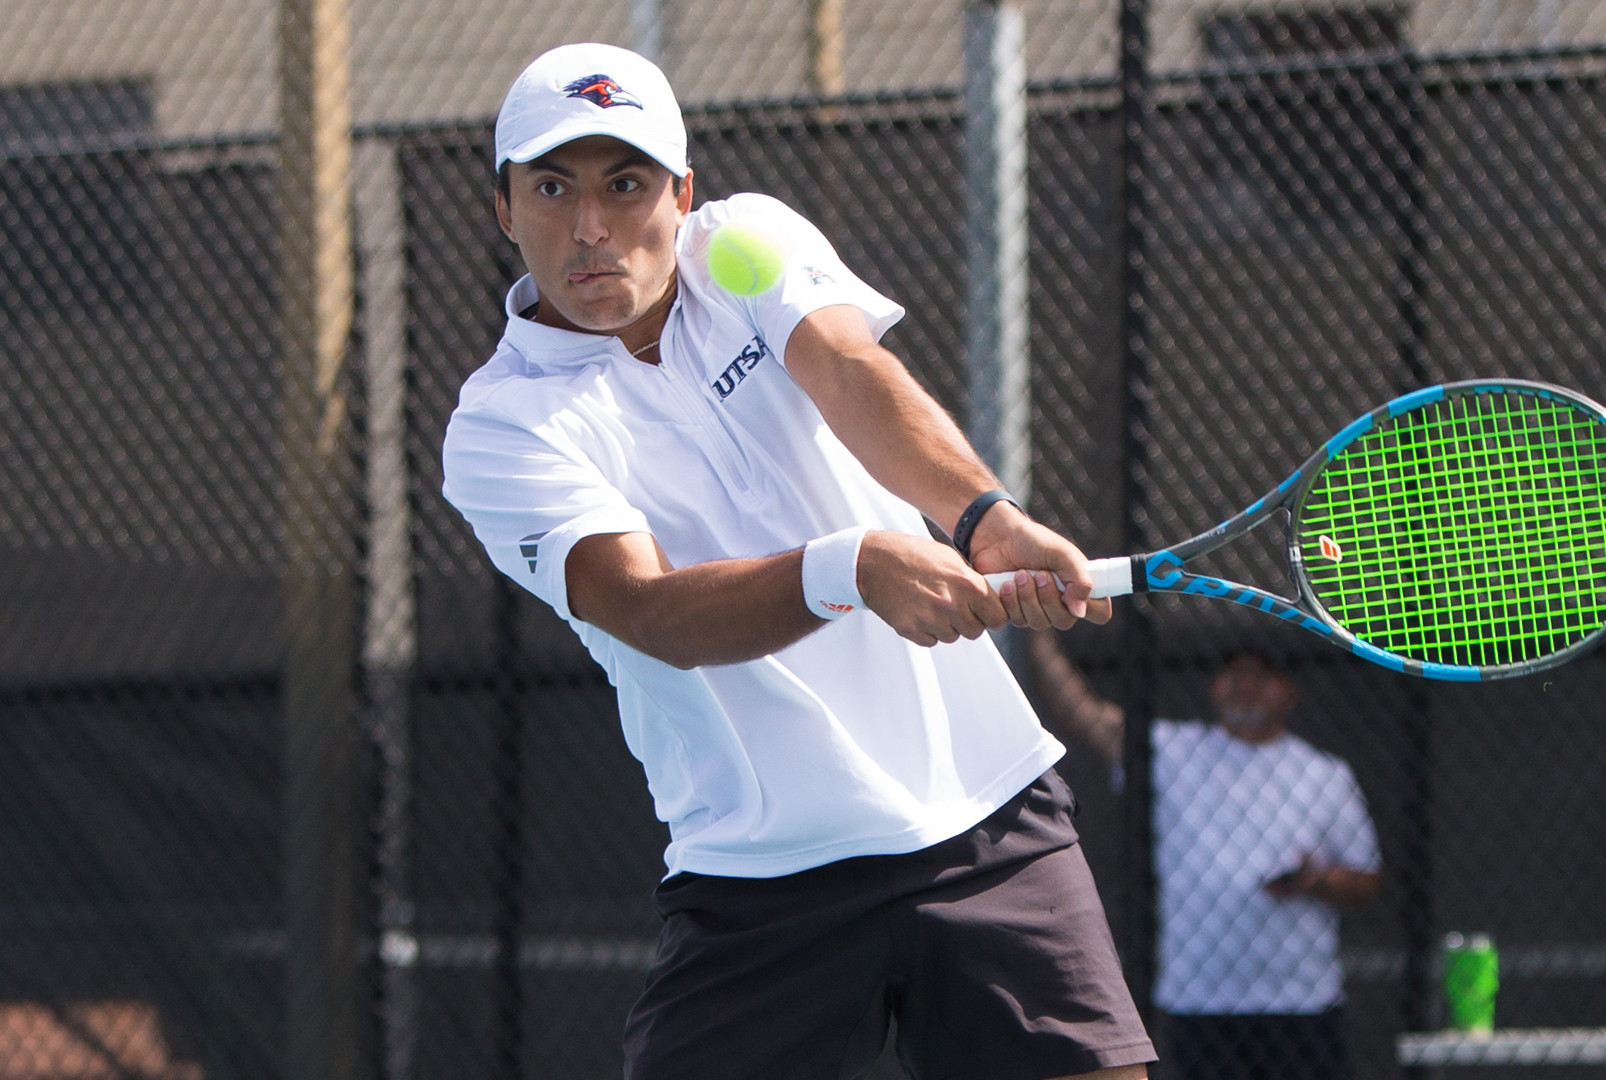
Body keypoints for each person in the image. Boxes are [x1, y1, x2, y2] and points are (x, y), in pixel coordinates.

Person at [439, 42, 1157, 1080]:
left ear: (682, 194)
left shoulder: (744, 244)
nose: (590, 228)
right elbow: (645, 609)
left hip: (983, 812)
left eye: (625, 184)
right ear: (505, 208)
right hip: (760, 876)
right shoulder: (503, 426)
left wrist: (985, 519)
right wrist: (851, 566)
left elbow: (850, 368)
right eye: (552, 188)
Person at [1029, 631, 1381, 1080]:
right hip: (1200, 1000)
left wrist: (1319, 881)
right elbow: (1087, 714)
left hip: (1301, 1001)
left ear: (1289, 692)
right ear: (1214, 686)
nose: (1244, 682)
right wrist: (1036, 637)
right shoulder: (1175, 752)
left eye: (1261, 673)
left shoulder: (1326, 774)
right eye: (1233, 672)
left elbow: (1367, 880)